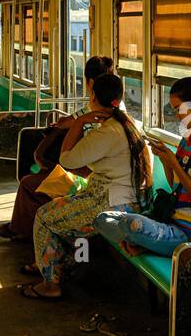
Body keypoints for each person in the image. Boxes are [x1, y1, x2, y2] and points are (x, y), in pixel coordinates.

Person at [20, 72, 151, 300]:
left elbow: (67, 159)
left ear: (93, 97)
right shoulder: (131, 125)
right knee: (61, 214)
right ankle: (57, 267)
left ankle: (51, 283)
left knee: (44, 216)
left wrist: (79, 122)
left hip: (111, 204)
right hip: (130, 200)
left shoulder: (107, 132)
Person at [93, 73, 191, 257]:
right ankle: (140, 242)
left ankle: (139, 240)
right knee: (102, 219)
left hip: (187, 234)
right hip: (168, 219)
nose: (177, 116)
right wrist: (165, 160)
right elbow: (175, 186)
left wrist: (174, 163)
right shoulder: (187, 141)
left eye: (179, 109)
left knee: (132, 224)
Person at [0, 55, 116, 243]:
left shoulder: (96, 117)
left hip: (92, 180)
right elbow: (68, 123)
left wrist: (71, 127)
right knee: (37, 177)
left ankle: (23, 231)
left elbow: (71, 158)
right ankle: (22, 228)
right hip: (100, 177)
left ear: (91, 84)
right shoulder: (111, 113)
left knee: (30, 183)